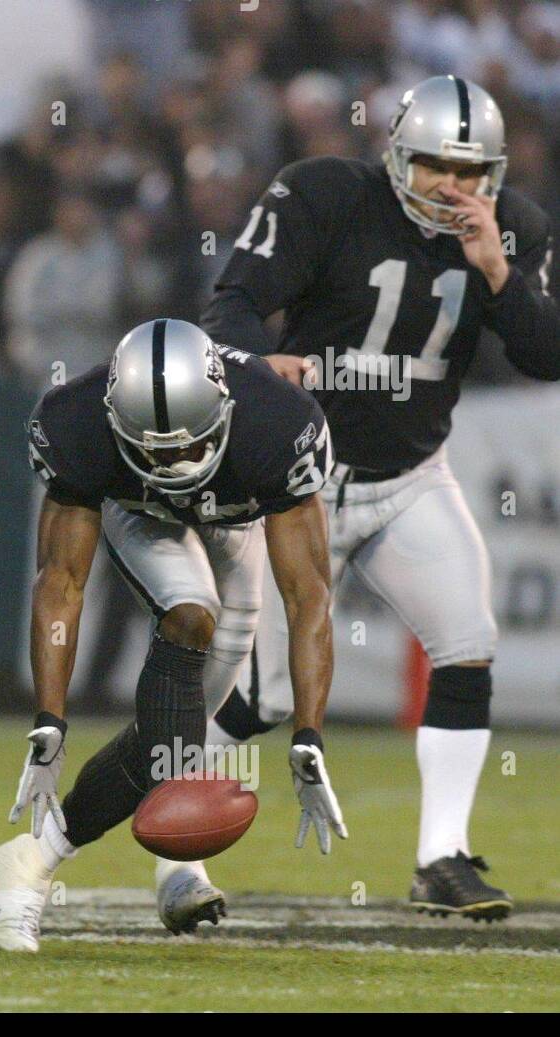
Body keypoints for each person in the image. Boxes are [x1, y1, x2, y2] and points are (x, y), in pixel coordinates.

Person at [201, 74, 560, 921]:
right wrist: (260, 365)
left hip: (408, 480)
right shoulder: (326, 192)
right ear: (398, 154)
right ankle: (173, 823)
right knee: (273, 693)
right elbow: (233, 305)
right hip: (304, 480)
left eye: (470, 171)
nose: (452, 186)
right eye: (435, 164)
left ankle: (441, 855)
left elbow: (546, 357)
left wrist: (499, 273)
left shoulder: (515, 228)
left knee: (468, 639)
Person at [0, 318, 344, 953]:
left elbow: (308, 596)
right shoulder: (76, 425)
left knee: (191, 708)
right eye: (151, 448)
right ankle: (161, 866)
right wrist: (49, 724)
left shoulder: (275, 426)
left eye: (184, 444)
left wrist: (308, 738)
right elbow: (62, 583)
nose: (171, 459)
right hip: (139, 513)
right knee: (189, 613)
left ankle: (39, 859)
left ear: (223, 409)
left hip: (234, 520)